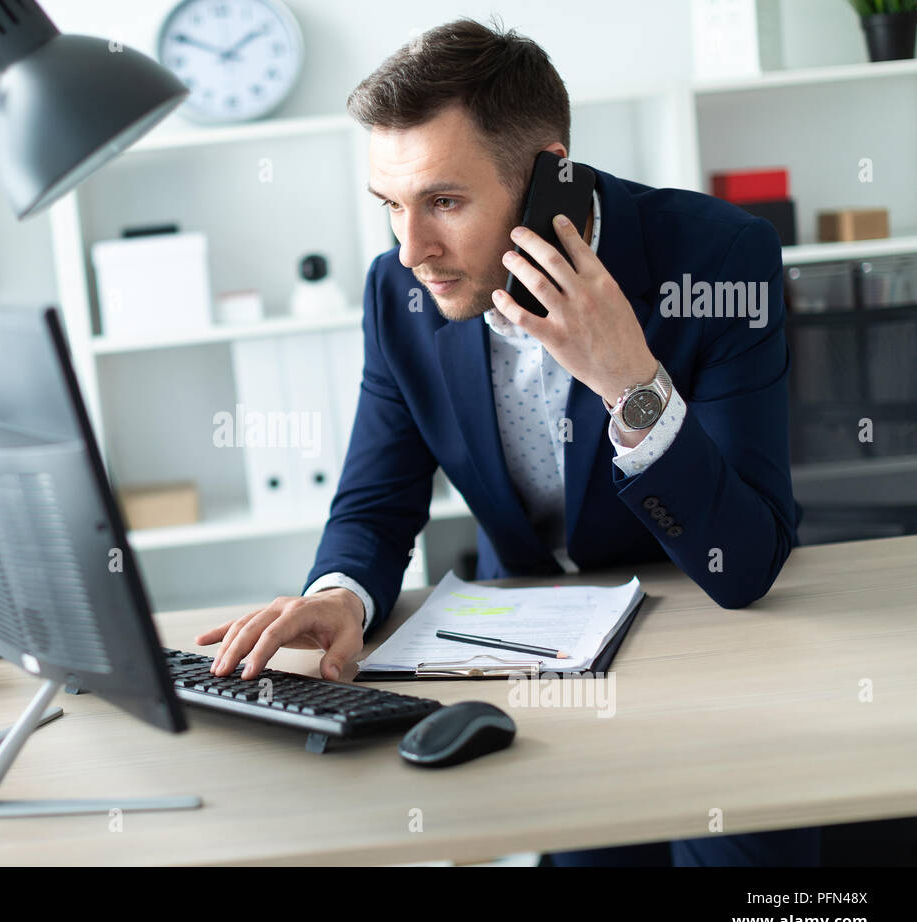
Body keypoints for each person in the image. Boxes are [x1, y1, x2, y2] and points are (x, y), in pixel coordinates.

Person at [195, 18, 815, 866]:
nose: (411, 249)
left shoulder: (719, 257)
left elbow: (744, 565)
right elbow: (376, 506)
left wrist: (628, 380)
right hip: (535, 668)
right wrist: (342, 595)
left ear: (548, 176)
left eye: (444, 202)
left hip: (714, 656)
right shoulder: (399, 293)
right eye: (391, 207)